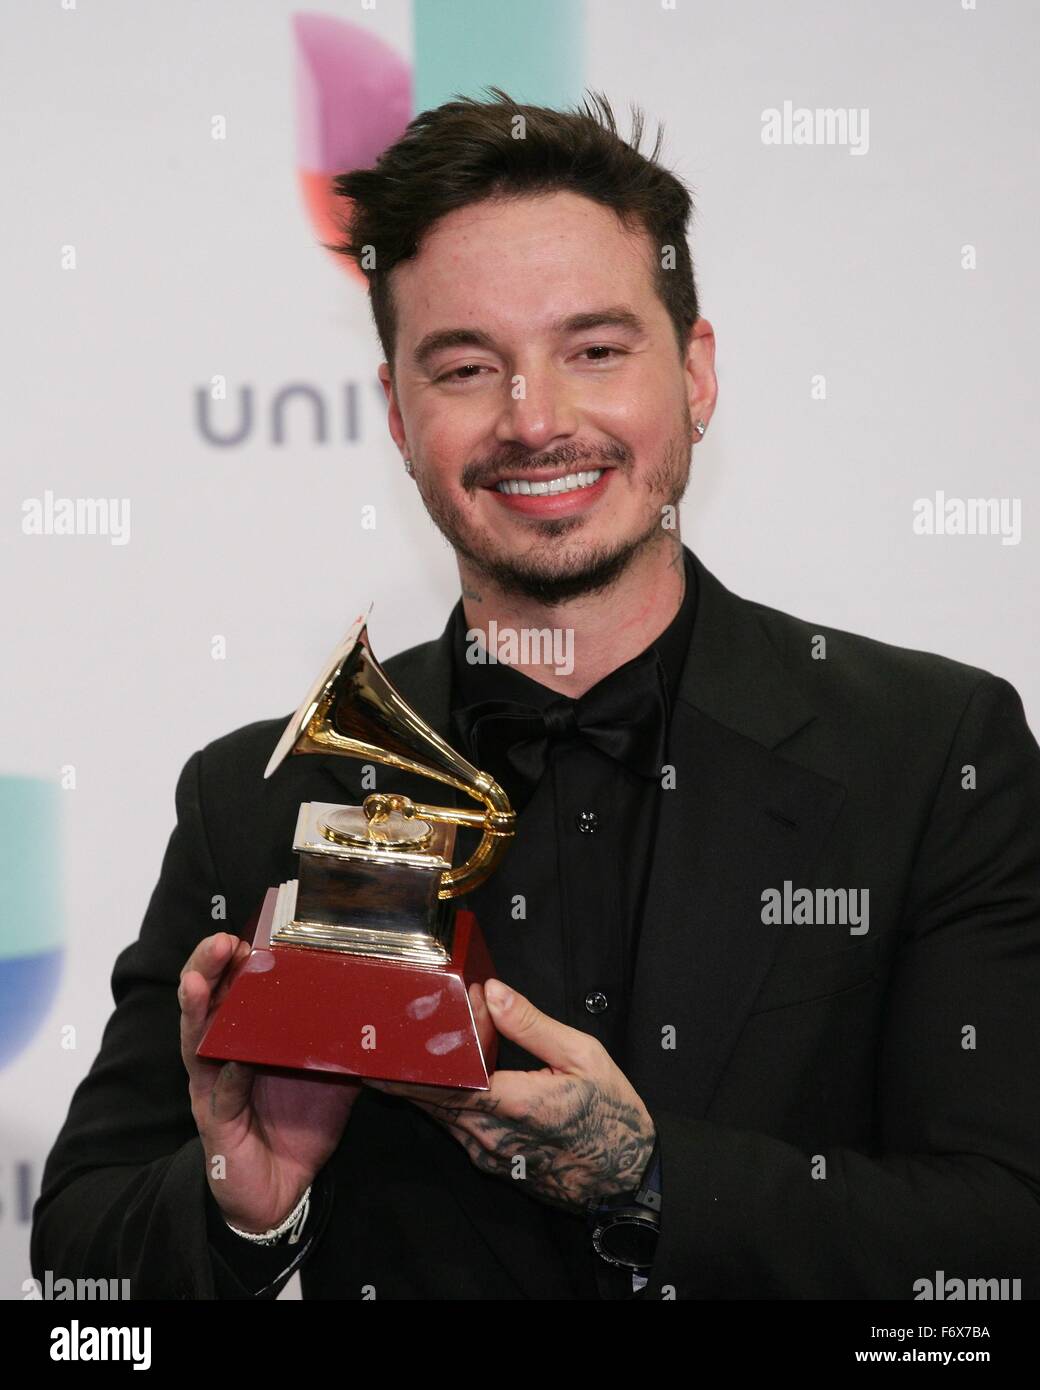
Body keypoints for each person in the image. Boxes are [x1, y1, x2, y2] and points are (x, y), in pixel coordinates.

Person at [32, 89, 1040, 1301]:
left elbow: (1004, 1236)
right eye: (467, 367)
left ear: (696, 373)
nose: (536, 420)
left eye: (594, 351)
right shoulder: (253, 796)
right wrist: (243, 1203)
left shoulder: (931, 756)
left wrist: (651, 1179)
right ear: (397, 414)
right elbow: (79, 1265)